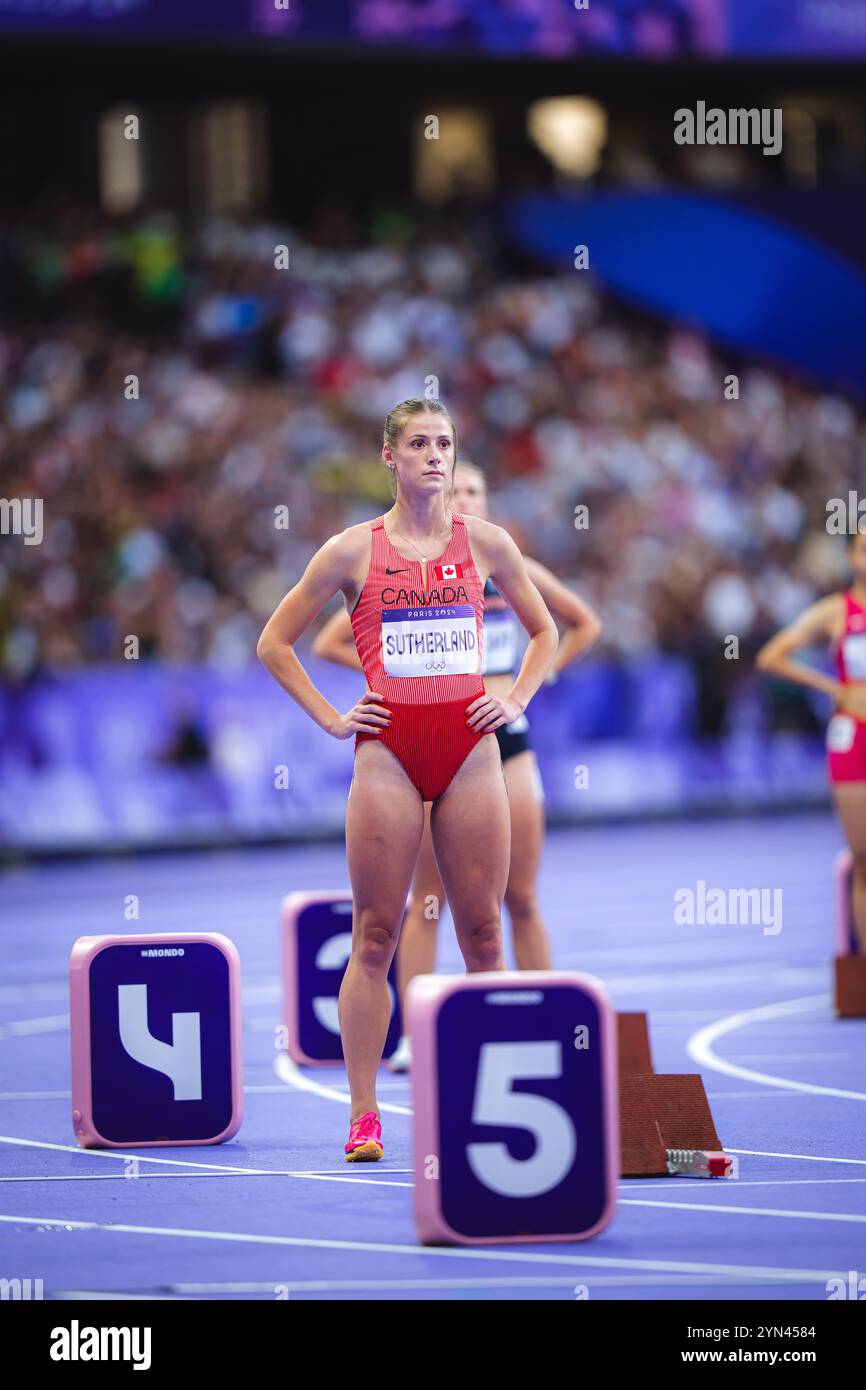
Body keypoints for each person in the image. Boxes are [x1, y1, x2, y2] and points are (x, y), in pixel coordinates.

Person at [257, 399, 558, 1159]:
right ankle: (364, 1114)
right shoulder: (349, 552)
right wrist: (331, 718)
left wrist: (516, 697)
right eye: (419, 443)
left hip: (470, 749)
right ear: (388, 456)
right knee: (376, 934)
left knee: (484, 934)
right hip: (388, 751)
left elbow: (547, 630)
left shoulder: (487, 544)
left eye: (445, 443)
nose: (434, 455)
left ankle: (489, 1098)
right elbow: (274, 642)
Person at [313, 461, 602, 1070]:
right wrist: (387, 682)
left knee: (516, 897)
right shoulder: (401, 565)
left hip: (499, 736)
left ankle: (536, 1019)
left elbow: (580, 625)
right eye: (456, 488)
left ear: (486, 499)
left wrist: (525, 686)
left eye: (474, 488)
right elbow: (333, 639)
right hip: (418, 738)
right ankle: (420, 1035)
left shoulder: (504, 560)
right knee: (426, 900)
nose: (462, 495)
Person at [755, 529, 866, 952]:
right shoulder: (837, 612)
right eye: (863, 550)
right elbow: (771, 656)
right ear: (850, 558)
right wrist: (832, 687)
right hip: (853, 737)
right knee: (863, 860)